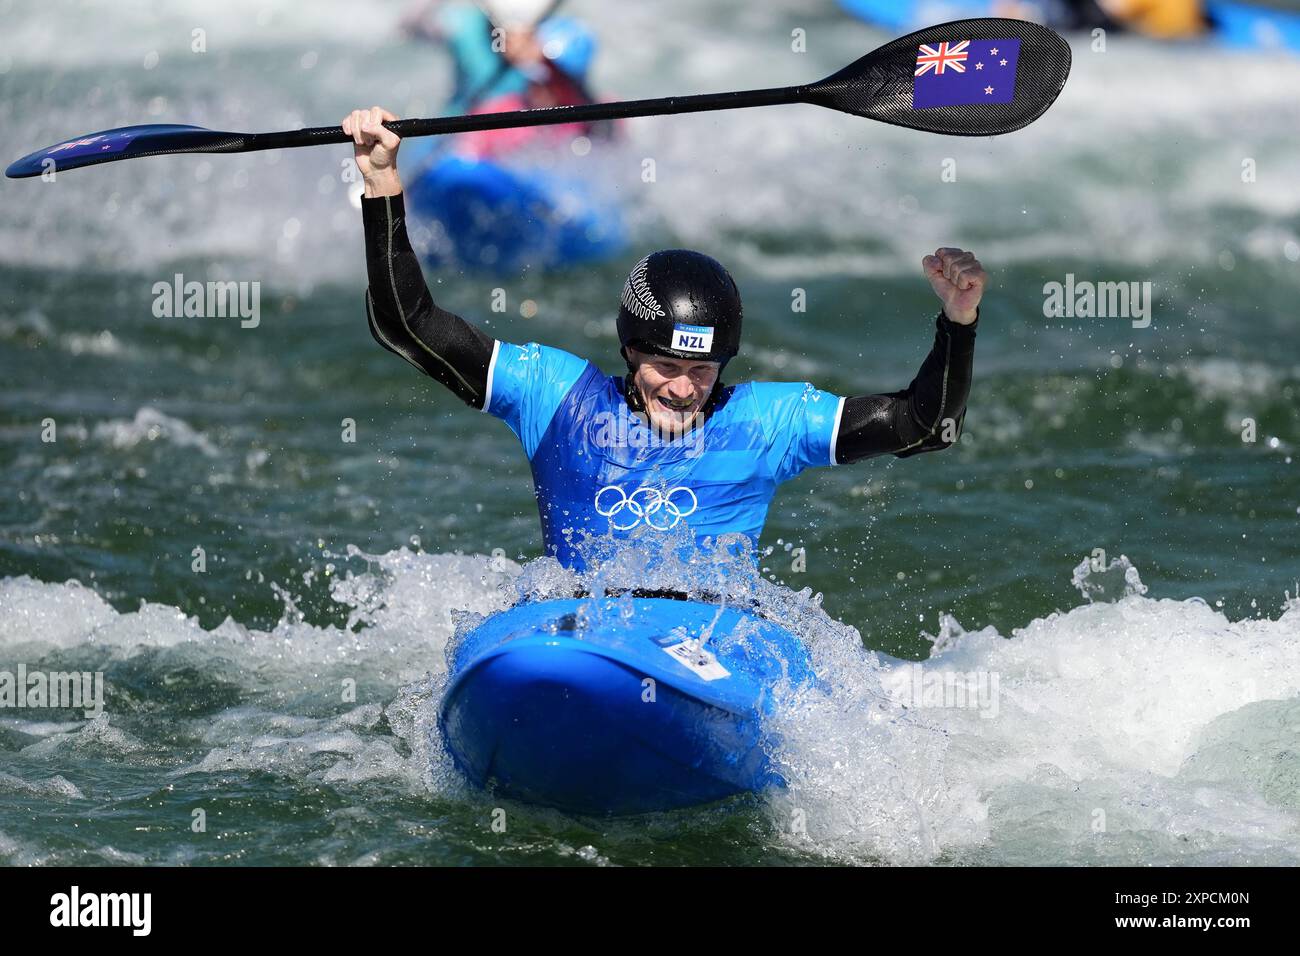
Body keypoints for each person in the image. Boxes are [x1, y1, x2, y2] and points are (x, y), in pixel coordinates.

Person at [346, 106, 984, 571]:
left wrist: (958, 320)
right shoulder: (554, 394)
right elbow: (409, 326)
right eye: (663, 364)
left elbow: (926, 427)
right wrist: (382, 184)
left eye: (703, 370)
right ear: (629, 350)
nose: (682, 388)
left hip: (711, 651)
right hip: (585, 638)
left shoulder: (770, 421)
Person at [400, 0, 602, 159]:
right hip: (456, 127)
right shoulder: (464, 26)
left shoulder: (546, 36)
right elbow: (410, 26)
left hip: (519, 130)